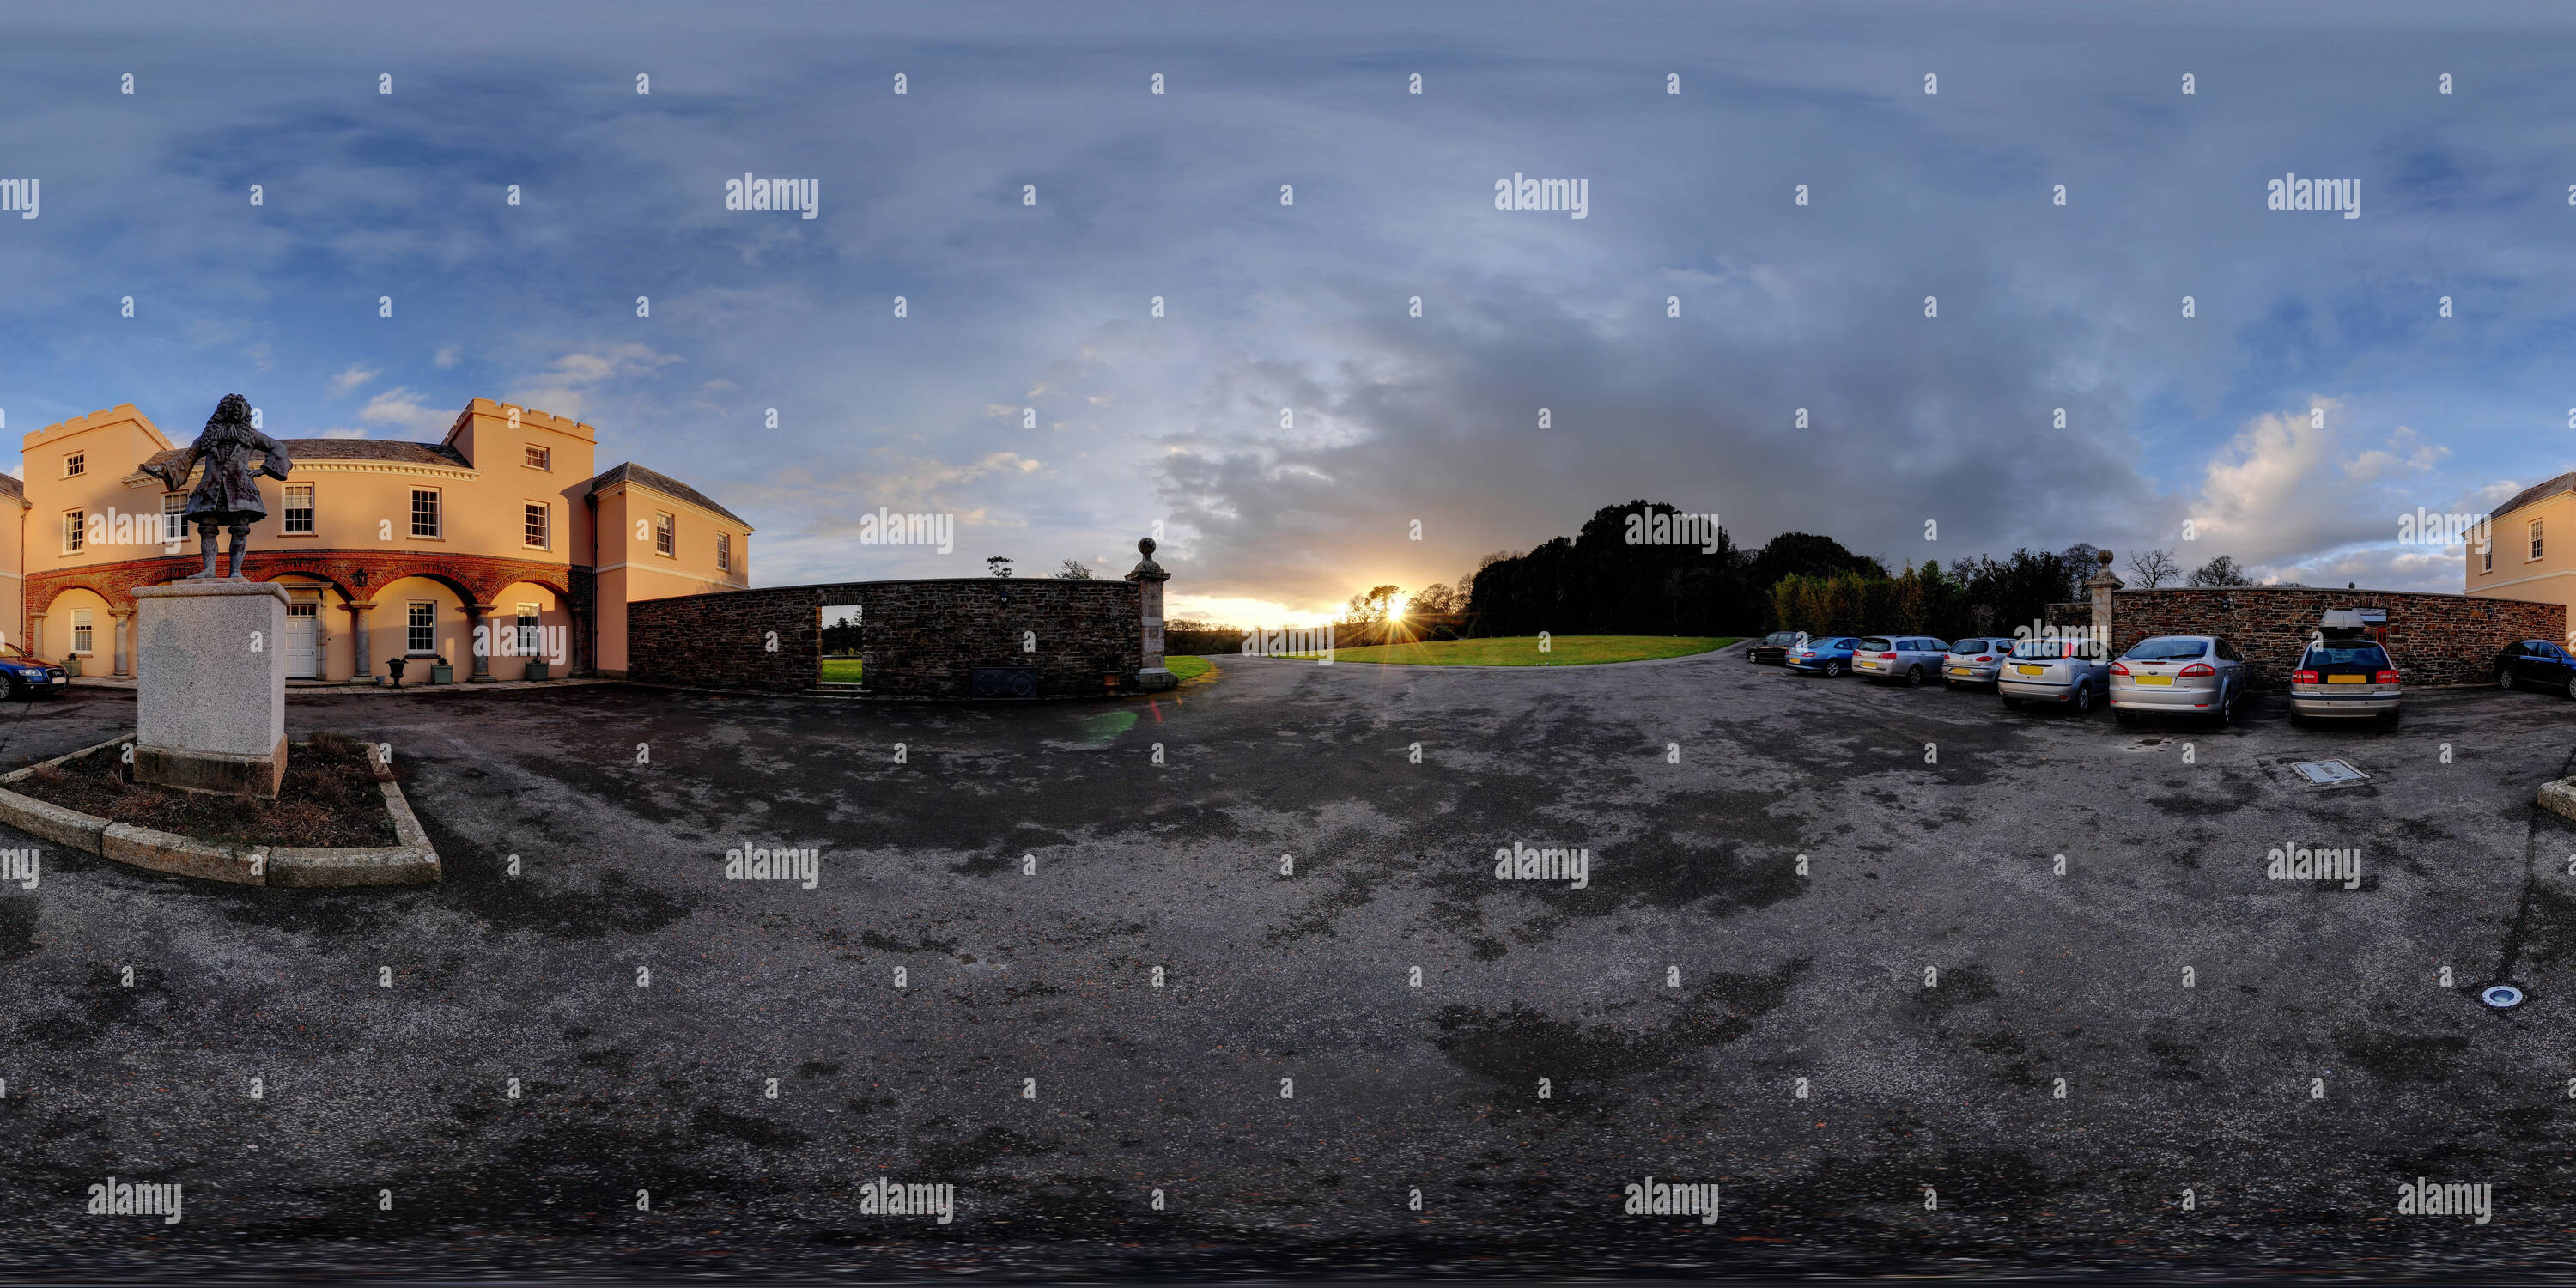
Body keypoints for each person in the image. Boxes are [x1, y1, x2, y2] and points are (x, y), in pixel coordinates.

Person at [137, 393, 295, 580]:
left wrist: (263, 470)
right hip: (210, 489)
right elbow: (186, 459)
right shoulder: (206, 438)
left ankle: (236, 572)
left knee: (240, 528)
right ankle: (209, 570)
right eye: (230, 407)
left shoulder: (251, 435)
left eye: (239, 408)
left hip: (240, 489)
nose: (234, 411)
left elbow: (278, 447)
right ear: (221, 411)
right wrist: (162, 469)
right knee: (207, 528)